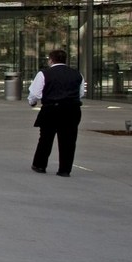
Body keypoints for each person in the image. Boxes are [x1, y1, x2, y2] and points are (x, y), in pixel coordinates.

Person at [28, 48, 85, 176]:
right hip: (72, 110)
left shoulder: (44, 74)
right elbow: (80, 93)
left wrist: (32, 102)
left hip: (51, 109)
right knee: (69, 140)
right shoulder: (77, 74)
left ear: (51, 60)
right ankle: (65, 169)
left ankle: (40, 165)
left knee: (46, 138)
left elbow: (35, 93)